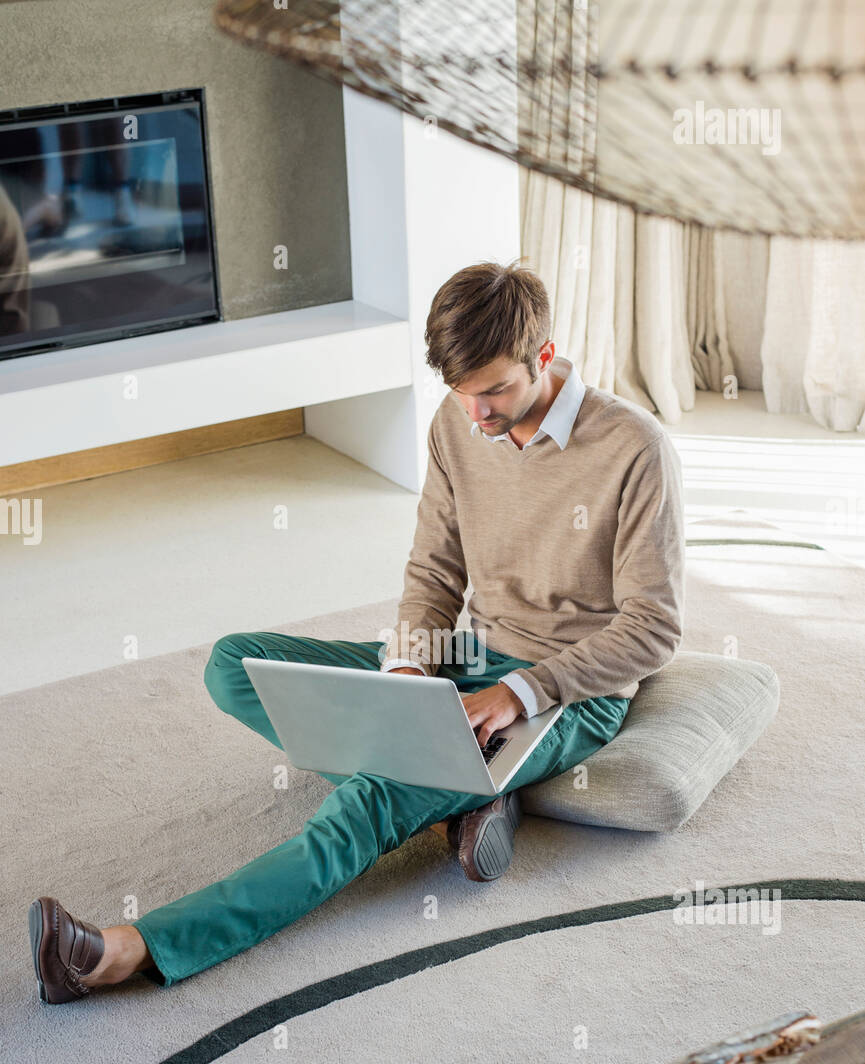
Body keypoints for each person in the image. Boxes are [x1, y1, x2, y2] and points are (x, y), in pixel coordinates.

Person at [29, 260, 685, 1004]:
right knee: (235, 663)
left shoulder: (633, 448)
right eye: (461, 394)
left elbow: (653, 628)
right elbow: (435, 572)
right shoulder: (457, 423)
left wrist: (517, 692)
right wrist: (406, 673)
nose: (477, 415)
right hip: (463, 658)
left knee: (369, 799)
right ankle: (465, 804)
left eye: (495, 390)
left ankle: (128, 950)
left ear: (544, 355)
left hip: (568, 689)